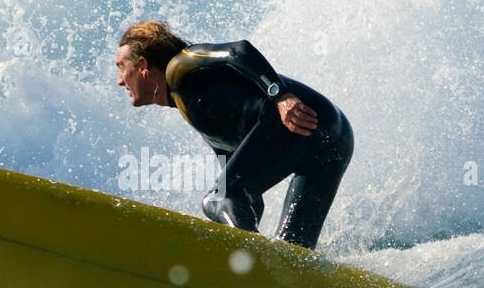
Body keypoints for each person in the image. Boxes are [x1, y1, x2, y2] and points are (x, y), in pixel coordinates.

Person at [115, 20, 354, 250]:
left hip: (299, 116)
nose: (120, 81)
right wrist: (237, 219)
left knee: (217, 200)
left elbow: (239, 50)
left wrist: (280, 95)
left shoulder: (182, 65)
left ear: (143, 65)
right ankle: (289, 280)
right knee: (292, 247)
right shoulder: (195, 106)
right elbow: (241, 191)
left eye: (121, 67)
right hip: (335, 135)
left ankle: (254, 260)